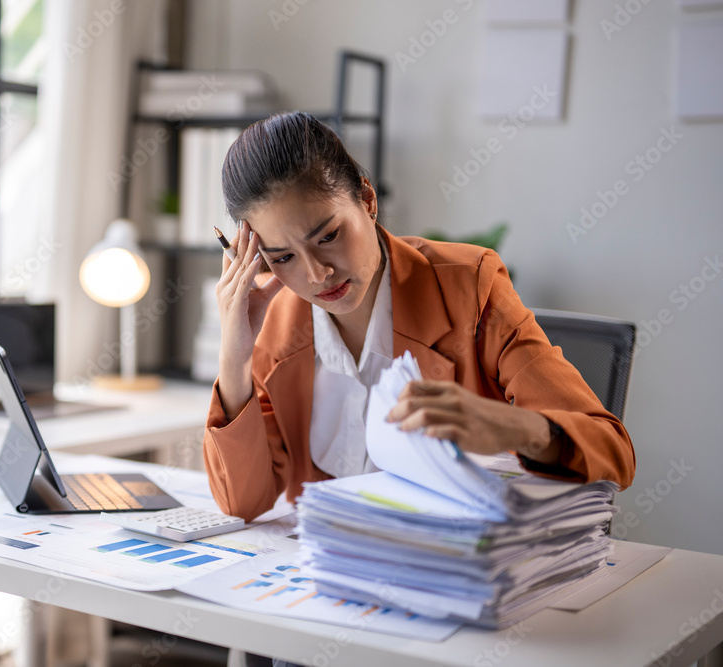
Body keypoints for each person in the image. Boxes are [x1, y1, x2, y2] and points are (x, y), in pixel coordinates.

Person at [204, 110, 635, 524]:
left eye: (329, 236)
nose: (317, 274)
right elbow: (242, 502)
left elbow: (612, 451)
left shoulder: (469, 288)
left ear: (368, 200)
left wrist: (518, 428)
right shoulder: (276, 325)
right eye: (282, 257)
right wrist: (234, 358)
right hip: (331, 571)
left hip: (457, 572)